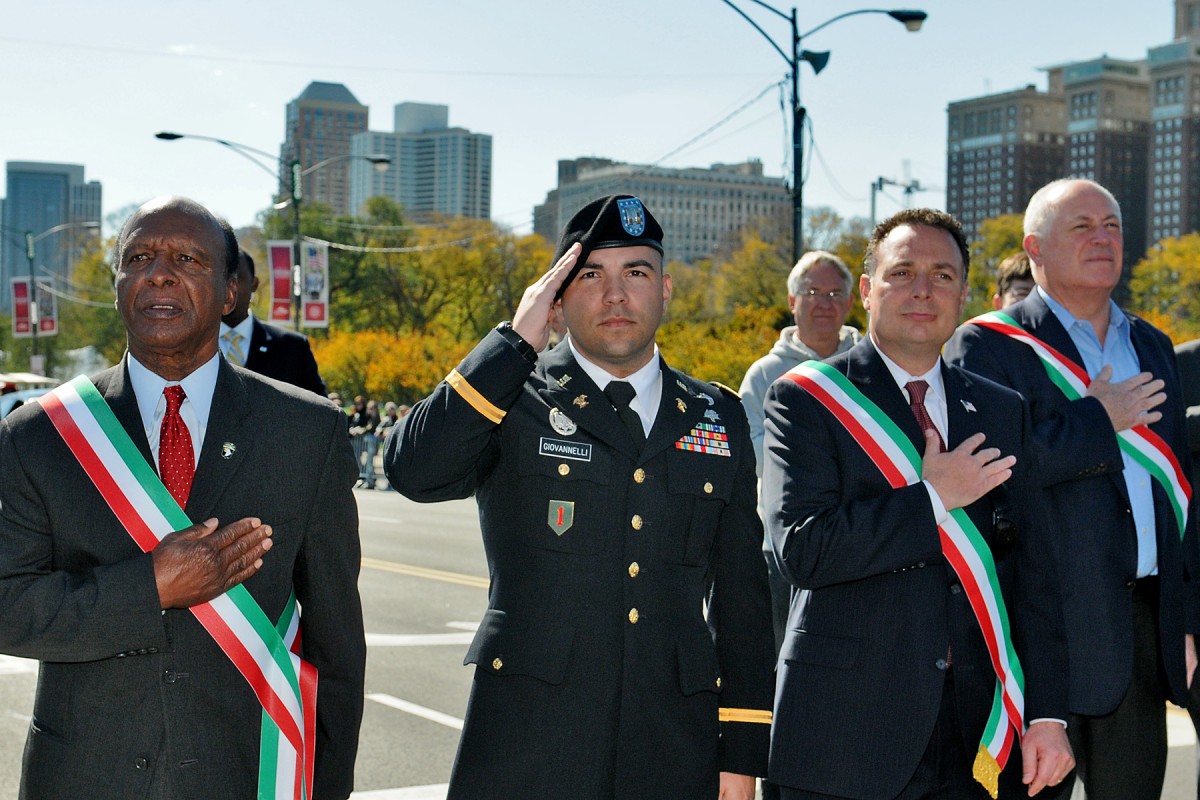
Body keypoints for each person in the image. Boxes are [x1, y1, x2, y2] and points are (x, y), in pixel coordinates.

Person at [386, 194, 774, 800]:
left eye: (636, 273)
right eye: (590, 275)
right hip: (528, 745)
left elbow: (744, 600)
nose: (615, 295)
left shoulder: (716, 415)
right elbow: (415, 471)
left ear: (666, 290)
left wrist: (741, 755)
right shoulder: (513, 395)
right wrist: (515, 341)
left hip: (674, 746)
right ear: (558, 297)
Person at [0, 196, 365, 799]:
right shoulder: (38, 436)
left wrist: (328, 786)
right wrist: (151, 588)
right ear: (118, 287)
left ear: (230, 294)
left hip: (250, 774)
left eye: (188, 258)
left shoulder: (306, 432)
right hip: (85, 778)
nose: (159, 272)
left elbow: (336, 641)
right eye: (139, 257)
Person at [763, 208, 1073, 799]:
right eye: (902, 273)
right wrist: (932, 498)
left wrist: (1049, 715)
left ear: (964, 295)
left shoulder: (1003, 408)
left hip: (979, 732)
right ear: (867, 290)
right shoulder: (805, 398)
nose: (923, 290)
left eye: (942, 275)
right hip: (847, 733)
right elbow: (803, 550)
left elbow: (1035, 575)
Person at [945, 178, 1199, 800]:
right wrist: (1096, 420)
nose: (1103, 238)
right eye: (1081, 227)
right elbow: (991, 473)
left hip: (1141, 628)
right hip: (1038, 625)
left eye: (1112, 226)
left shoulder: (1153, 344)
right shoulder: (986, 344)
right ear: (1034, 247)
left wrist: (1185, 620)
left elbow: (1179, 499)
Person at [738, 250, 860, 657]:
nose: (824, 302)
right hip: (785, 545)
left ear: (850, 301)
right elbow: (752, 449)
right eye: (811, 291)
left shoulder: (871, 367)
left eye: (834, 292)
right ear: (792, 302)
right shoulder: (764, 375)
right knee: (786, 655)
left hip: (861, 537)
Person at [219, 248, 328, 396]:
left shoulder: (293, 348)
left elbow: (320, 412)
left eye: (237, 279)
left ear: (254, 284)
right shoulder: (187, 345)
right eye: (221, 278)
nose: (229, 289)